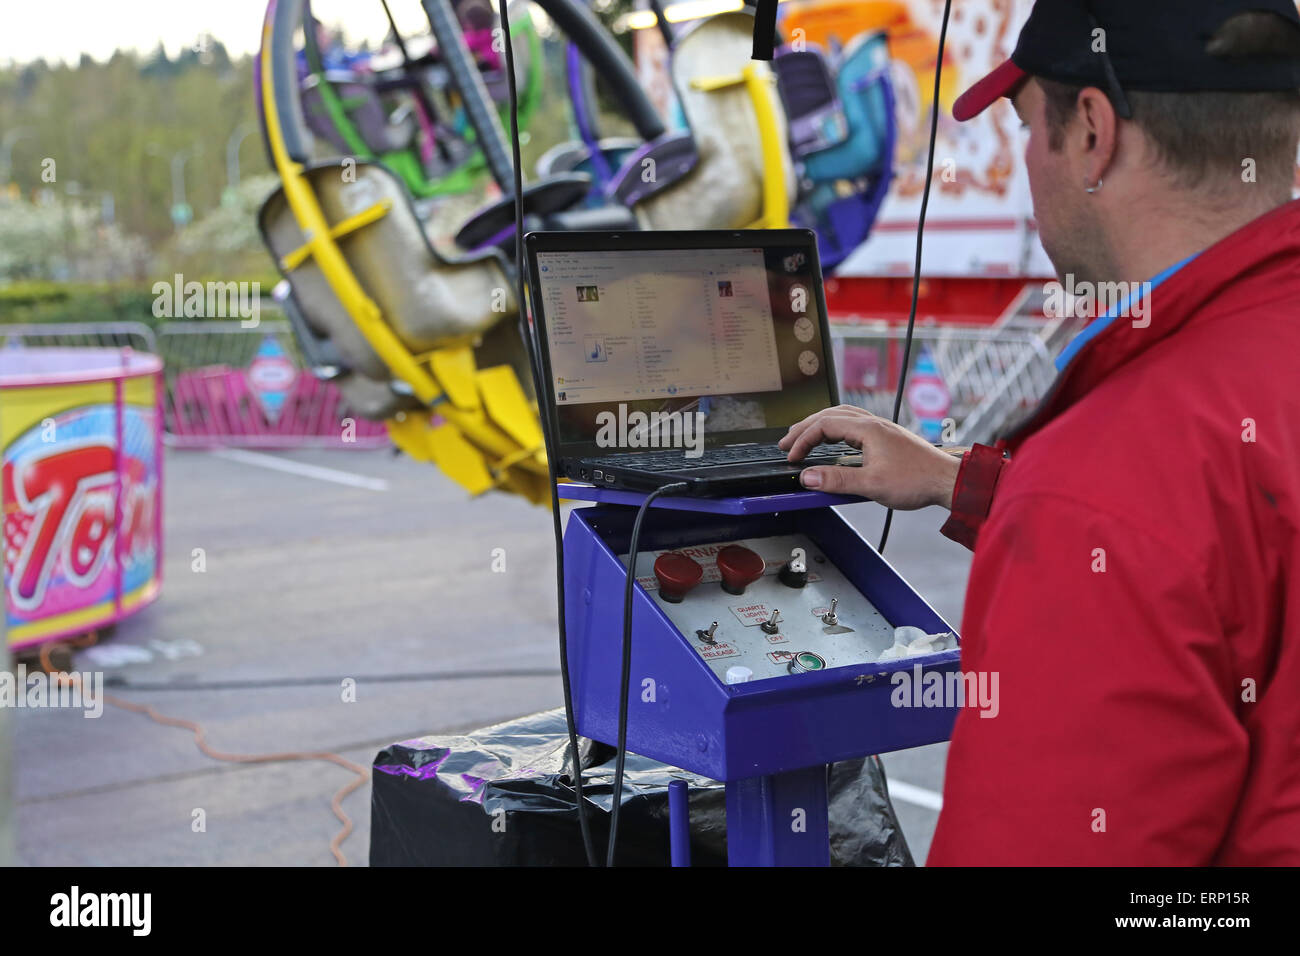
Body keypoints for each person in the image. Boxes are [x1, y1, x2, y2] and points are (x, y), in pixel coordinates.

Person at [780, 0, 1300, 865]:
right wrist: (968, 483)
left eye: (1026, 128)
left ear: (1092, 131)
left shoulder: (1101, 487)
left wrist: (1060, 501)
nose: (1026, 165)